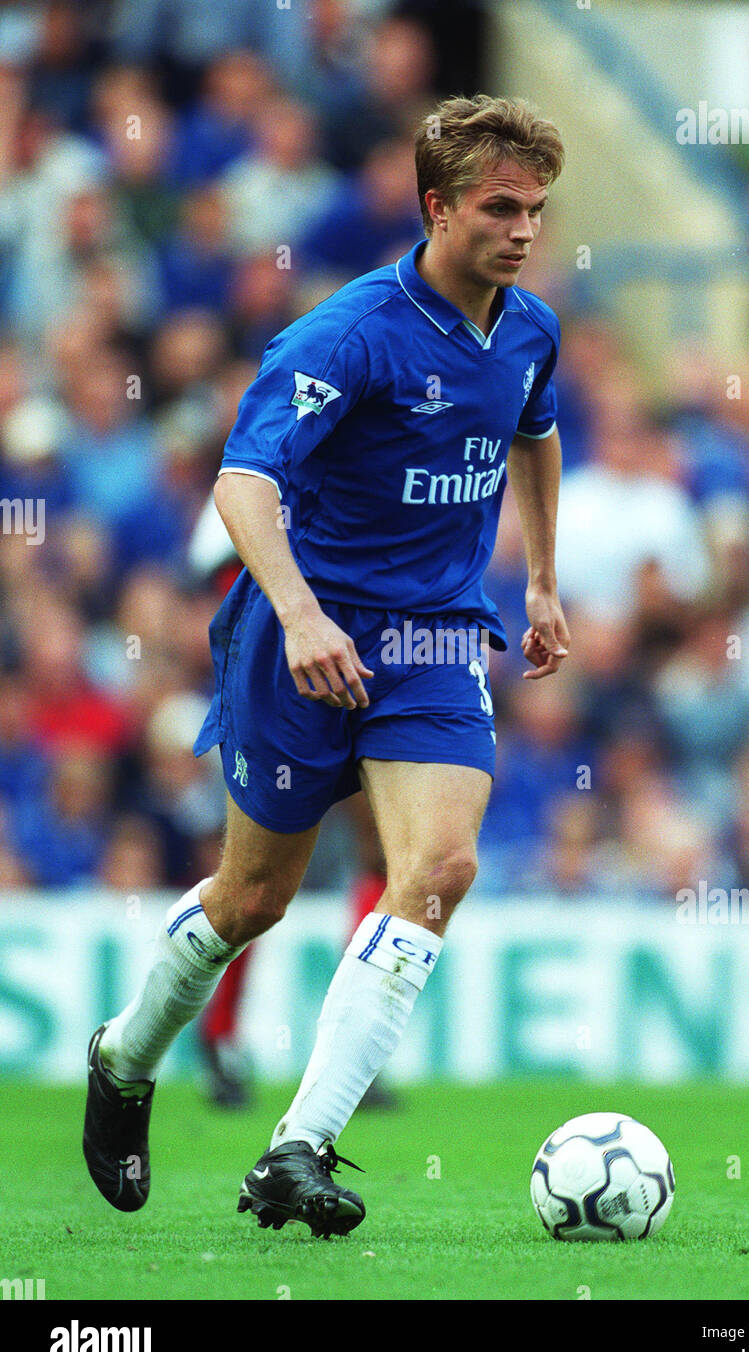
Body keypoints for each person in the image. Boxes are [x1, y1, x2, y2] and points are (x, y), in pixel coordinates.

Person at [83, 93, 569, 1238]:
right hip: (300, 641)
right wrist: (301, 616)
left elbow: (535, 432)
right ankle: (123, 1056)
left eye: (537, 210)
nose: (522, 230)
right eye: (499, 208)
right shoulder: (347, 332)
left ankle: (297, 1147)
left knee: (438, 868)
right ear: (437, 206)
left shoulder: (529, 330)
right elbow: (242, 482)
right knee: (254, 897)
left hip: (436, 641)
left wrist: (540, 579)